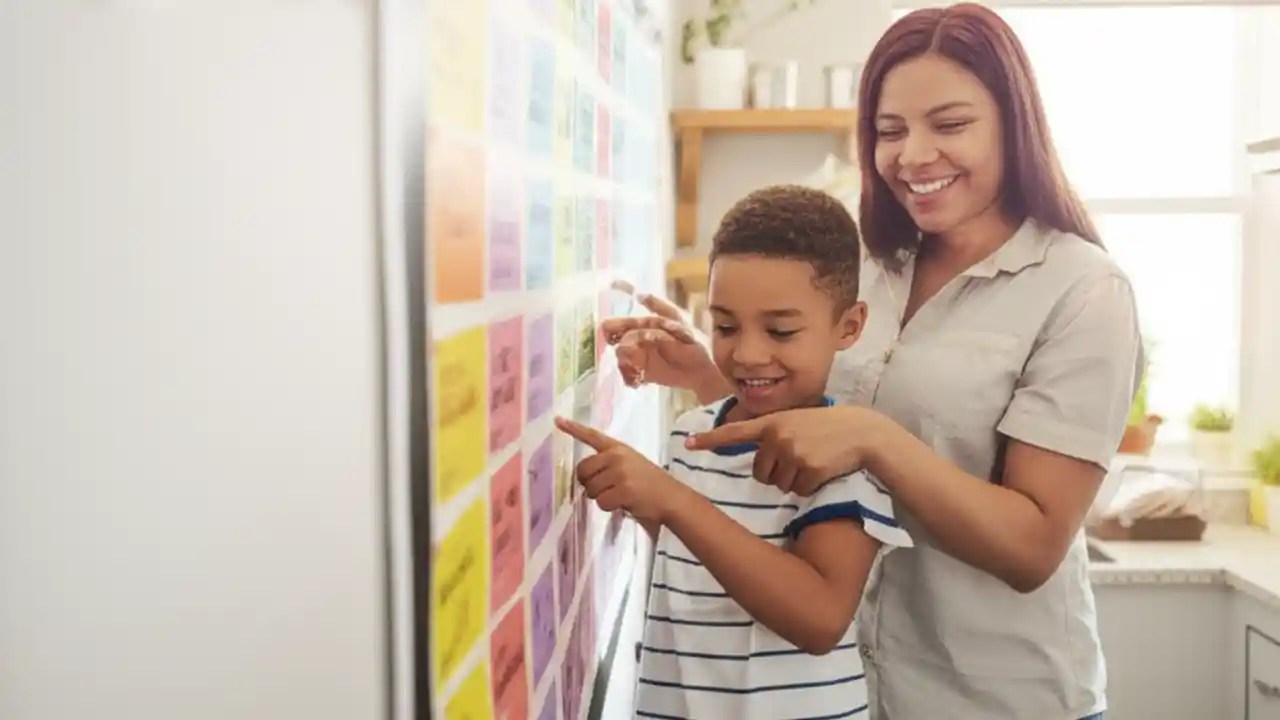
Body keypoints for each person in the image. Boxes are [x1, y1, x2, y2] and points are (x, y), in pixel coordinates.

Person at [599, 4, 1141, 719]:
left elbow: (1033, 547)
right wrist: (713, 371)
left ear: (1014, 123)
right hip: (844, 696)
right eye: (890, 130)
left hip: (995, 700)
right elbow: (814, 428)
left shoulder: (1081, 289)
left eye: (949, 125)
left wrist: (874, 437)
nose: (912, 155)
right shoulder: (861, 260)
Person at [556, 185, 913, 720]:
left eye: (781, 330)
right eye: (724, 326)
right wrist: (640, 499)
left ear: (849, 326)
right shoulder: (692, 432)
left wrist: (672, 501)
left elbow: (819, 618)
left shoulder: (842, 456)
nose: (746, 353)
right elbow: (695, 558)